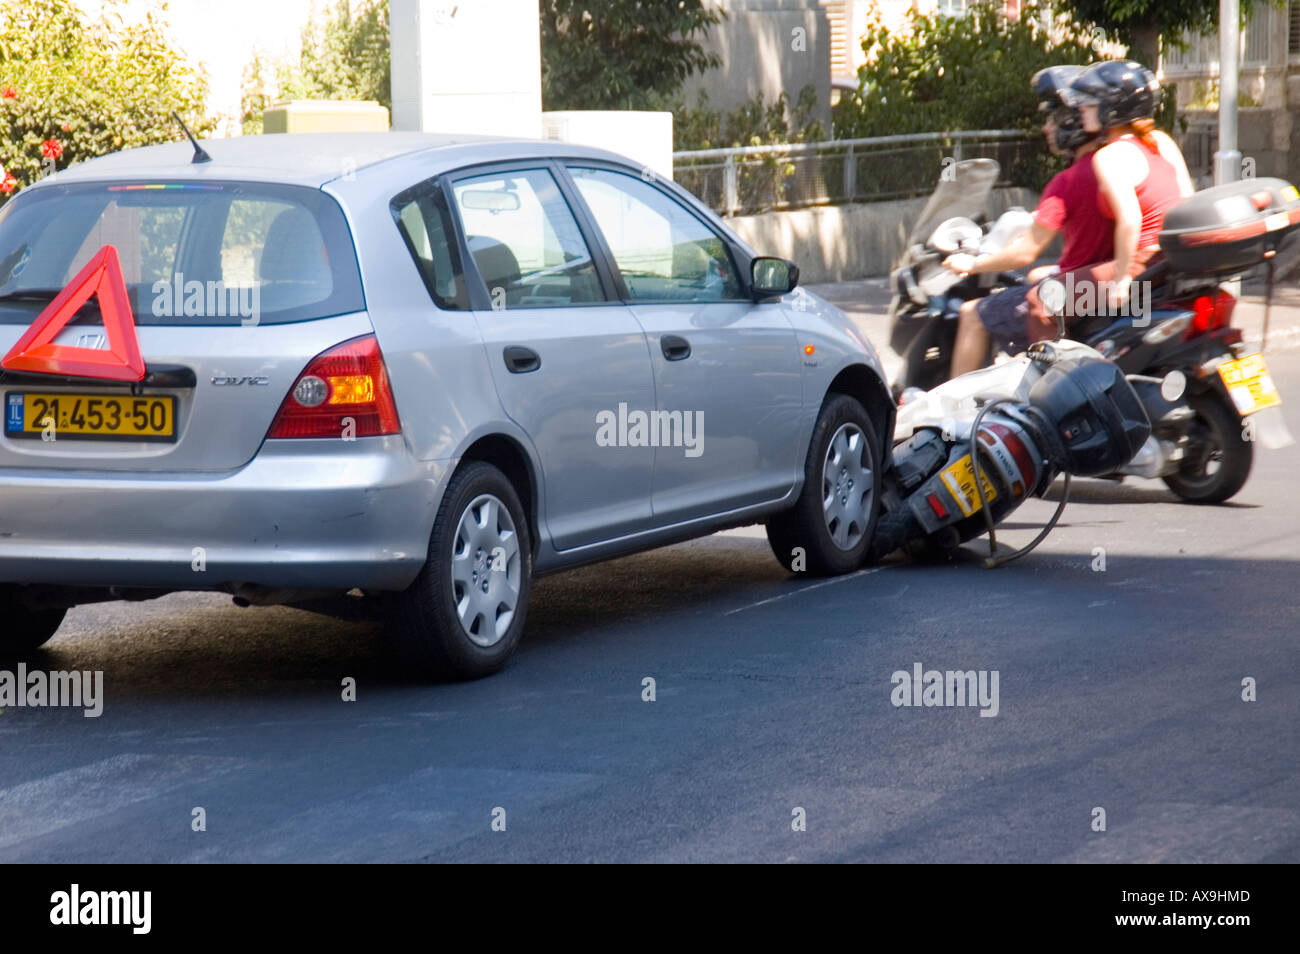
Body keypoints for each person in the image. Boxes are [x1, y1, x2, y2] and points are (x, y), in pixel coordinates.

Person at [943, 65, 1111, 377]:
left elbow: (1024, 253)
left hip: (1079, 291)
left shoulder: (1068, 181)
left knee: (972, 314)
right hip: (1102, 280)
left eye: (1052, 119)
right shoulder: (1114, 165)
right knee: (1036, 275)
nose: (1047, 129)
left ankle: (956, 413)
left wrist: (970, 265)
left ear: (1071, 121)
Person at [1054, 59, 1195, 314]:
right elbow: (1187, 199)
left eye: (1090, 102)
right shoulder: (1161, 141)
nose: (1082, 108)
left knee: (1039, 301)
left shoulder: (1109, 155)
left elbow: (1130, 220)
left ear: (1112, 108)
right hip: (1174, 257)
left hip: (1143, 261)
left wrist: (1122, 279)